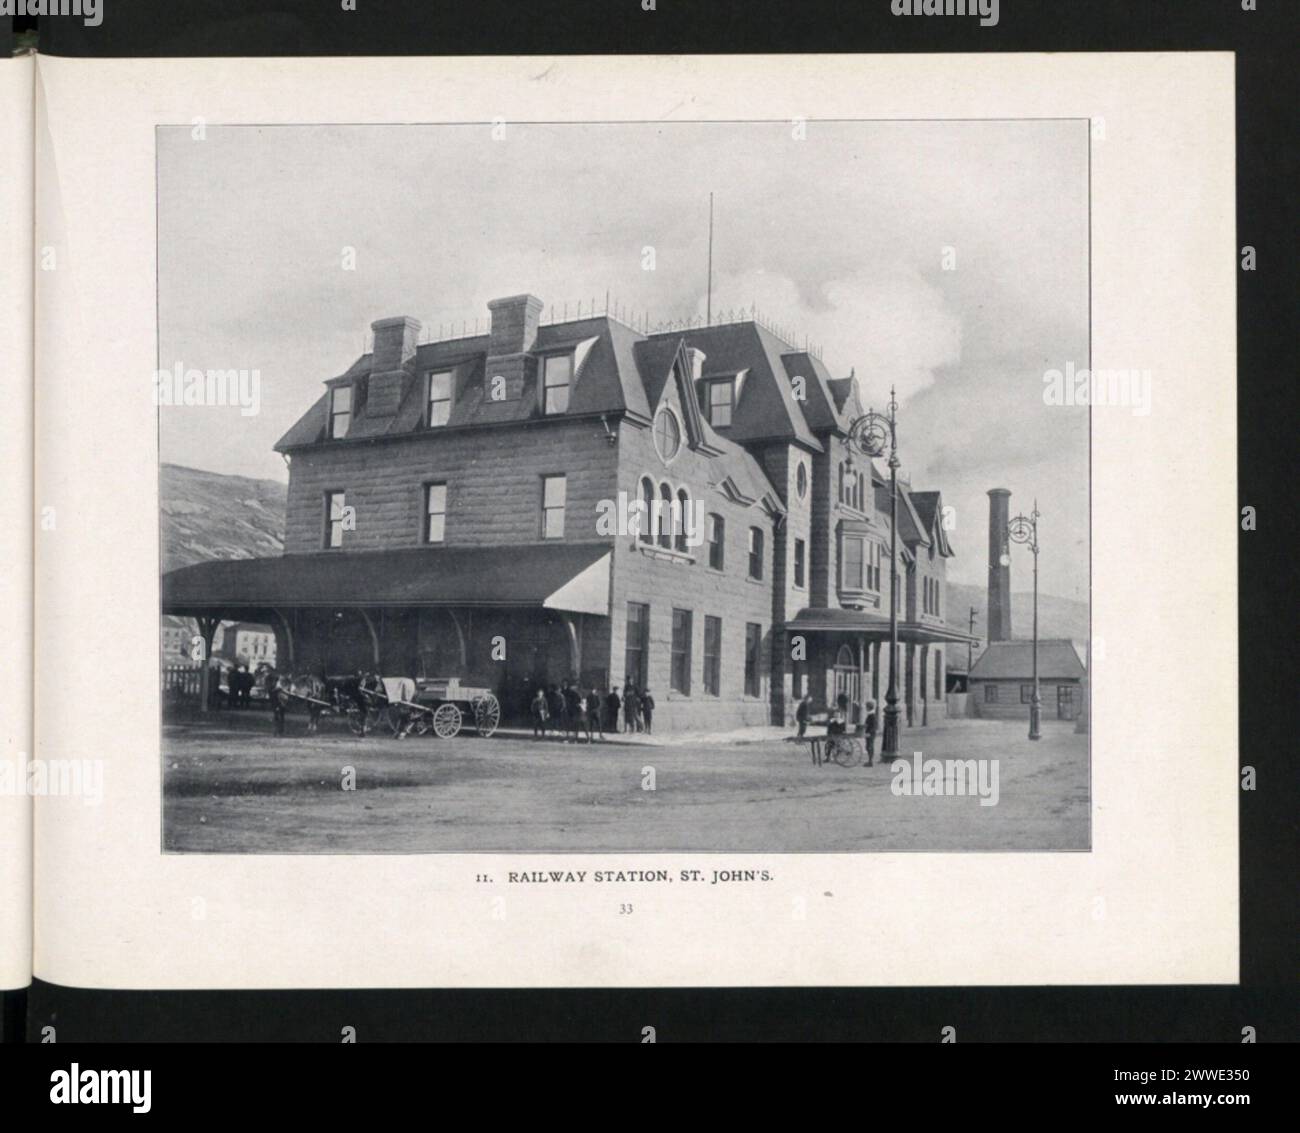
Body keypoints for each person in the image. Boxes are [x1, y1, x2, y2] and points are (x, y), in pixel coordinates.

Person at [862, 698, 877, 766]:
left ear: (868, 707)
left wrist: (869, 732)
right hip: (870, 733)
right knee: (868, 746)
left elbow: (873, 725)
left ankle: (870, 761)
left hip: (870, 733)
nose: (866, 708)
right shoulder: (871, 715)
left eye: (866, 707)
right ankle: (870, 760)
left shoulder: (872, 715)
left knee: (869, 746)